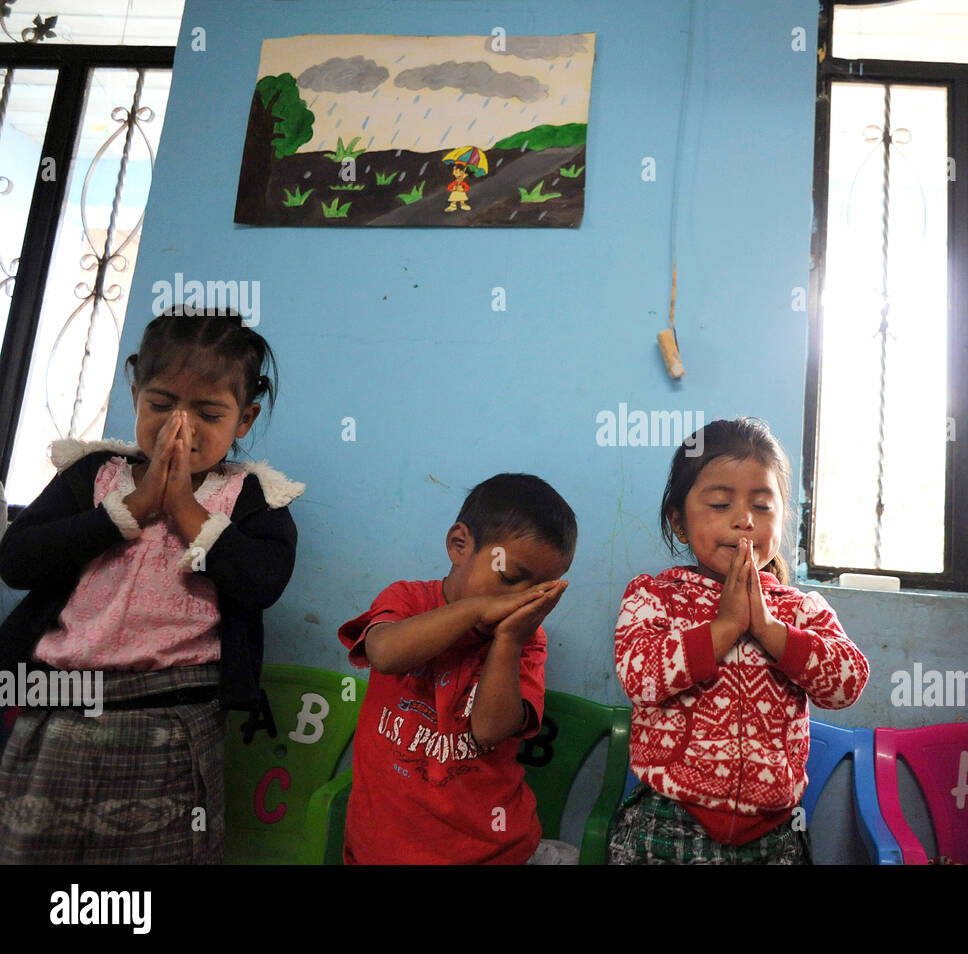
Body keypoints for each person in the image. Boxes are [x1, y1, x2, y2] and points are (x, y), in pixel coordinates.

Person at [0, 310, 300, 863]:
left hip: (173, 718)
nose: (177, 428)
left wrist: (184, 507)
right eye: (160, 405)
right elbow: (16, 561)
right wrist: (132, 508)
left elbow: (260, 582)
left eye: (208, 413)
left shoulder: (255, 497)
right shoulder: (93, 476)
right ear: (135, 393)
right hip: (61, 708)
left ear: (245, 419)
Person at [608, 417, 870, 864]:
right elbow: (641, 677)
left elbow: (846, 682)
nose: (745, 520)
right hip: (666, 825)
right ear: (679, 523)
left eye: (763, 507)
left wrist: (769, 629)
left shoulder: (800, 609)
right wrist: (724, 628)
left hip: (776, 837)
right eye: (720, 504)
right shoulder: (655, 597)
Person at [338, 473, 576, 864]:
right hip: (380, 845)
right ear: (459, 545)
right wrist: (476, 610)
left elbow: (489, 731)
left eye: (536, 592)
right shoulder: (408, 600)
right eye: (510, 578)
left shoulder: (525, 640)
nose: (517, 601)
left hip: (485, 850)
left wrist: (508, 641)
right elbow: (385, 653)